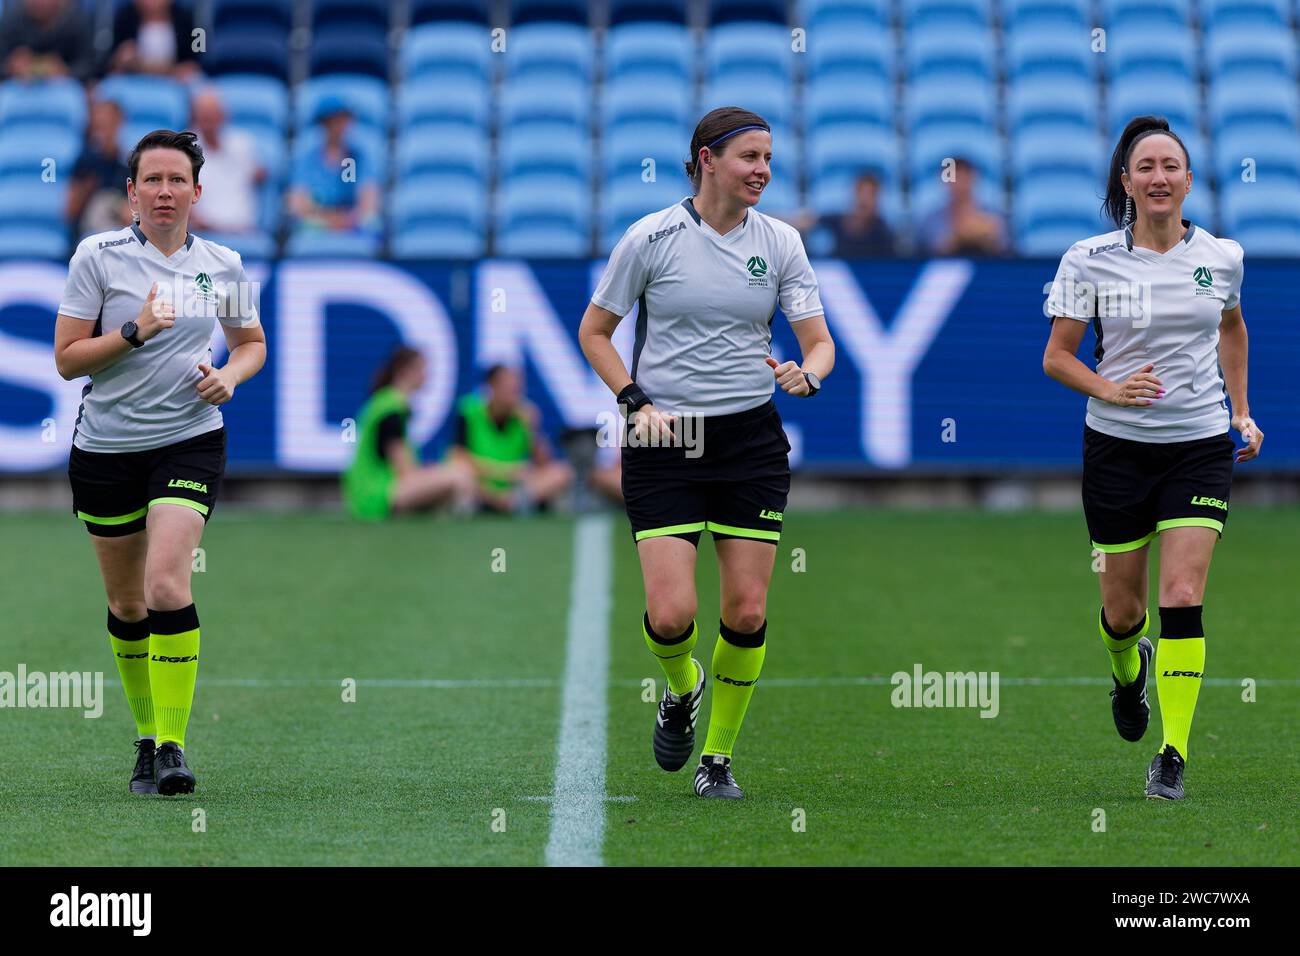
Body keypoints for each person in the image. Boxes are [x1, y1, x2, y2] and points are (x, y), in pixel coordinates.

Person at [578, 107, 835, 799]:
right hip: (667, 438)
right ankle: (681, 685)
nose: (763, 171)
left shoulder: (780, 242)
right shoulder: (651, 237)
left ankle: (717, 760)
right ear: (706, 160)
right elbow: (595, 332)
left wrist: (810, 371)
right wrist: (635, 402)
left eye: (768, 158)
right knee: (670, 617)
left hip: (749, 438)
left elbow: (819, 340)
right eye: (750, 157)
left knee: (746, 612)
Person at [1043, 115, 1263, 800]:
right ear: (1126, 181)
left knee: (1183, 595)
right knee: (1122, 611)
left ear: (1189, 180)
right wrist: (1110, 386)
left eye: (1171, 166)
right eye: (1147, 167)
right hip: (1116, 449)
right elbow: (1056, 357)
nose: (1160, 177)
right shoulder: (1090, 258)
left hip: (1198, 446)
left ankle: (1172, 753)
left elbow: (1231, 326)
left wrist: (1240, 410)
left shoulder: (1222, 257)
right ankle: (1127, 671)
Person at [53, 129, 267, 796]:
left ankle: (173, 746)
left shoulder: (225, 264)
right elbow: (66, 361)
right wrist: (135, 330)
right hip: (107, 446)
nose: (165, 191)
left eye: (177, 180)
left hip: (189, 438)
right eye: (153, 180)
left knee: (167, 586)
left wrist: (231, 377)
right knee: (125, 601)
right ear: (132, 191)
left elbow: (252, 343)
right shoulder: (98, 258)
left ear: (198, 192)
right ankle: (145, 738)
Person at [342, 346, 475, 520]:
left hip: (374, 492)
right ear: (405, 371)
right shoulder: (391, 408)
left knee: (454, 475)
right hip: (376, 496)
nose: (426, 376)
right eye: (422, 369)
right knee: (459, 474)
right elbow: (405, 470)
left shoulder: (385, 402)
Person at [448, 365, 573, 513]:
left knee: (561, 472)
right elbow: (458, 458)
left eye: (516, 389)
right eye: (508, 388)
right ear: (491, 387)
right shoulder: (469, 411)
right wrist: (507, 473)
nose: (513, 395)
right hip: (482, 483)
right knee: (460, 476)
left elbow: (544, 463)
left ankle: (512, 503)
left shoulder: (524, 417)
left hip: (515, 488)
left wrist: (533, 430)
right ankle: (498, 503)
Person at [287, 97, 380, 237]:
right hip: (319, 224)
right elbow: (298, 205)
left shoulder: (359, 157)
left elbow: (369, 202)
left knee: (371, 225)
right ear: (324, 123)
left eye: (346, 119)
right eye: (337, 120)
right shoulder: (308, 160)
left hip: (352, 222)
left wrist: (347, 219)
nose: (343, 125)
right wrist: (330, 220)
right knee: (306, 229)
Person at [189, 87, 264, 236]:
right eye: (204, 116)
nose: (209, 121)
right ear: (195, 118)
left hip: (243, 229)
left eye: (213, 115)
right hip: (203, 231)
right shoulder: (185, 148)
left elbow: (260, 174)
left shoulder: (242, 144)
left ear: (224, 116)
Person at [66, 98, 133, 238]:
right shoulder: (85, 162)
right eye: (98, 125)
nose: (103, 131)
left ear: (119, 123)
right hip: (89, 235)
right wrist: (87, 187)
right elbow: (70, 211)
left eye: (108, 124)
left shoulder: (128, 164)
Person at [915, 156, 1007, 256]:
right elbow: (924, 253)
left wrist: (986, 237)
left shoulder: (993, 217)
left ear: (973, 178)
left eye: (962, 177)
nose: (958, 183)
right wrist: (957, 238)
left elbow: (1005, 253)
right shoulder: (931, 220)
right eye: (953, 178)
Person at [104, 0, 201, 81]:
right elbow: (112, 63)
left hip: (175, 82)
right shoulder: (124, 17)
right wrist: (121, 58)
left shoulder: (186, 18)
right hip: (134, 81)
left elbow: (197, 59)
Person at [0, 0, 92, 81]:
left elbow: (88, 66)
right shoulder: (11, 19)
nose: (40, 2)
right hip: (18, 86)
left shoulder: (75, 20)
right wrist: (10, 67)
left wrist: (66, 70)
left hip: (62, 86)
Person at [816, 171, 897, 256]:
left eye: (871, 194)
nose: (865, 199)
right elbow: (809, 221)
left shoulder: (883, 234)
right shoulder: (834, 222)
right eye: (861, 192)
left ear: (878, 199)